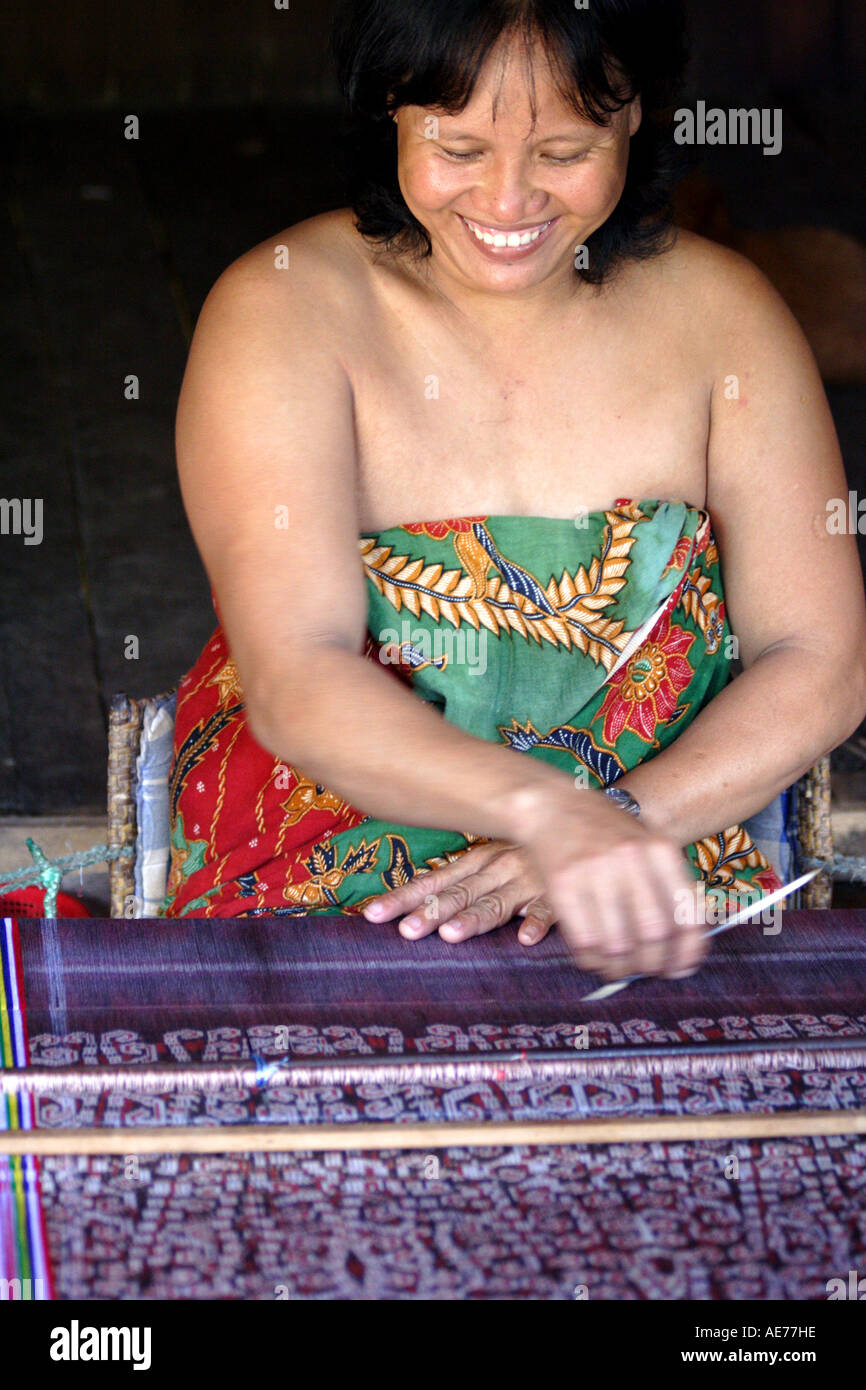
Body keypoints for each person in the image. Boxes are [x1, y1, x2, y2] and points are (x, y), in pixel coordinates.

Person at [159, 0, 866, 986]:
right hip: (331, 890)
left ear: (634, 115)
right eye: (456, 146)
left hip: (642, 876)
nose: (506, 200)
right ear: (392, 116)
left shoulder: (724, 322)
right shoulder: (282, 310)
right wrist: (543, 811)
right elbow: (295, 673)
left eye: (562, 149)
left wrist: (615, 824)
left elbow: (821, 656)